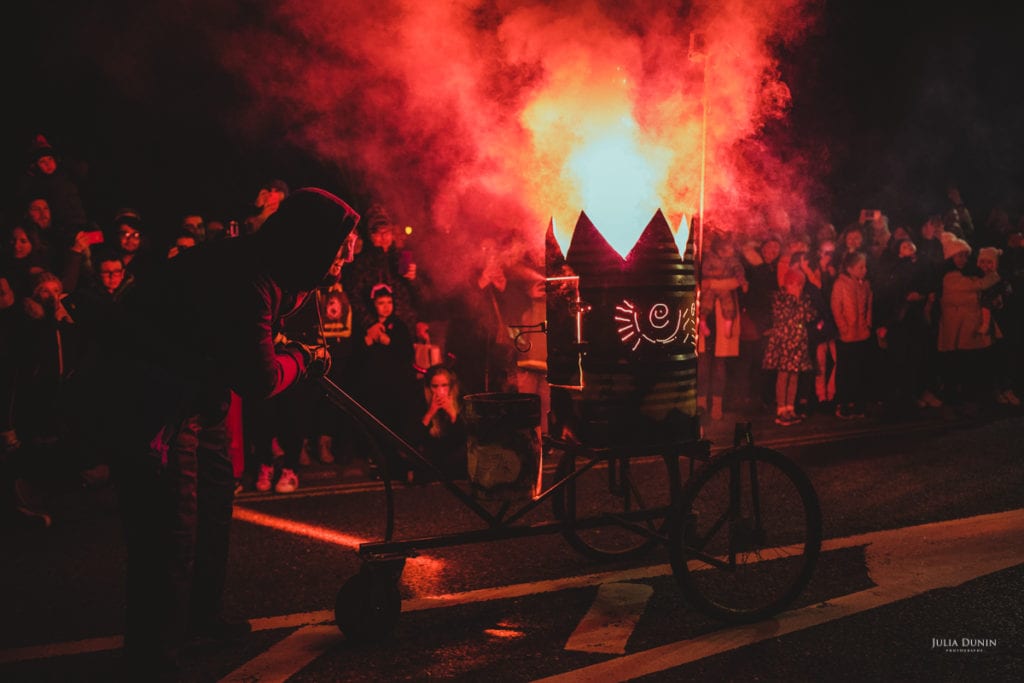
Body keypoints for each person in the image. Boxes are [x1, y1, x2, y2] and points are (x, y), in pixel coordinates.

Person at [96, 188, 359, 679]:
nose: (347, 254)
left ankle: (201, 617)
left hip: (196, 393)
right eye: (340, 244)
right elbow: (258, 381)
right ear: (309, 241)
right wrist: (302, 360)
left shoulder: (277, 268)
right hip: (153, 400)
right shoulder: (249, 278)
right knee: (168, 532)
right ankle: (152, 660)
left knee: (214, 502)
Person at [762, 268, 817, 426]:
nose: (797, 288)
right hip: (784, 344)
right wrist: (795, 301)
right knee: (783, 375)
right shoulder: (780, 299)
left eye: (800, 285)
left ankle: (790, 408)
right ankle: (781, 409)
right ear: (786, 284)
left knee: (794, 376)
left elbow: (809, 316)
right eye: (793, 284)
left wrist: (800, 300)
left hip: (798, 343)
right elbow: (784, 314)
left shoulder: (803, 300)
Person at [830, 251, 873, 419]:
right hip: (847, 334)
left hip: (862, 332)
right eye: (860, 267)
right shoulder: (840, 284)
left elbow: (869, 304)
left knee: (859, 368)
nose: (864, 270)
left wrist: (868, 323)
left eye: (865, 267)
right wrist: (843, 327)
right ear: (849, 268)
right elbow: (836, 307)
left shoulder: (865, 285)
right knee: (846, 369)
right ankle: (844, 402)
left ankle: (858, 401)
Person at [415, 365, 468, 481]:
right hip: (431, 453)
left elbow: (464, 438)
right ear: (429, 387)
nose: (440, 391)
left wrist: (452, 414)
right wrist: (430, 413)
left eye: (444, 385)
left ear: (451, 386)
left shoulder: (460, 400)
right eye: (435, 386)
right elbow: (414, 438)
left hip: (452, 453)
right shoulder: (421, 400)